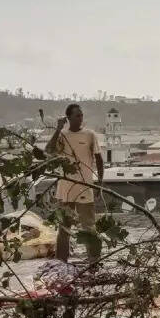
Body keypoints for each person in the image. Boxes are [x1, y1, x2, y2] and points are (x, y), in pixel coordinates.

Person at [46, 103, 104, 263]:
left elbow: (99, 160)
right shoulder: (62, 135)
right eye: (77, 115)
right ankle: (61, 262)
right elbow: (49, 151)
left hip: (85, 187)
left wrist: (100, 183)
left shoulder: (90, 135)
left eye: (82, 115)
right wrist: (57, 129)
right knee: (64, 228)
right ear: (68, 117)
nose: (80, 118)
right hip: (65, 189)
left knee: (89, 227)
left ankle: (94, 260)